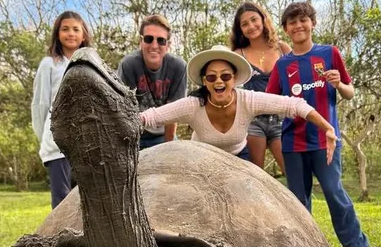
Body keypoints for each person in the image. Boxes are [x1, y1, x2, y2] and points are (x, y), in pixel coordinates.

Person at [266, 2, 375, 247]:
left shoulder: (329, 54)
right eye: (292, 22)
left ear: (313, 23)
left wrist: (339, 84)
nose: (298, 26)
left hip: (325, 140)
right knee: (298, 200)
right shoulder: (283, 65)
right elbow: (269, 100)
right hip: (292, 142)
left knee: (333, 190)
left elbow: (350, 92)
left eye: (303, 20)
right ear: (286, 29)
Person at [139, 45, 337, 163]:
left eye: (225, 76)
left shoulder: (247, 100)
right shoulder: (193, 105)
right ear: (205, 81)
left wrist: (327, 127)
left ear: (234, 79)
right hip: (201, 159)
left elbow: (293, 105)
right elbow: (152, 116)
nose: (219, 81)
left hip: (238, 158)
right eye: (211, 76)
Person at [32, 11, 92, 209]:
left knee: (86, 198)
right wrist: (46, 137)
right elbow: (40, 104)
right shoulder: (49, 64)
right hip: (57, 146)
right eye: (65, 29)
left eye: (76, 29)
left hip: (85, 144)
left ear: (84, 35)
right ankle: (59, 240)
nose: (71, 33)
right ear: (57, 34)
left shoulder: (90, 63)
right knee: (62, 202)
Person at [230, 2, 291, 173]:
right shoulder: (237, 55)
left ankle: (300, 201)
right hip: (252, 121)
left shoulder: (283, 49)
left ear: (263, 20)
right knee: (256, 176)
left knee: (294, 173)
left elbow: (297, 82)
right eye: (244, 24)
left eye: (254, 20)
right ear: (240, 29)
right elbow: (227, 87)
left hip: (282, 119)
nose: (251, 26)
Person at [117, 14, 187, 149]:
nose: (154, 45)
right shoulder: (128, 65)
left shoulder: (179, 67)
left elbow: (173, 113)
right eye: (149, 39)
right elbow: (123, 112)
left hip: (163, 134)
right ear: (141, 42)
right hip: (135, 134)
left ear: (168, 45)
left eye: (161, 40)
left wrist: (168, 148)